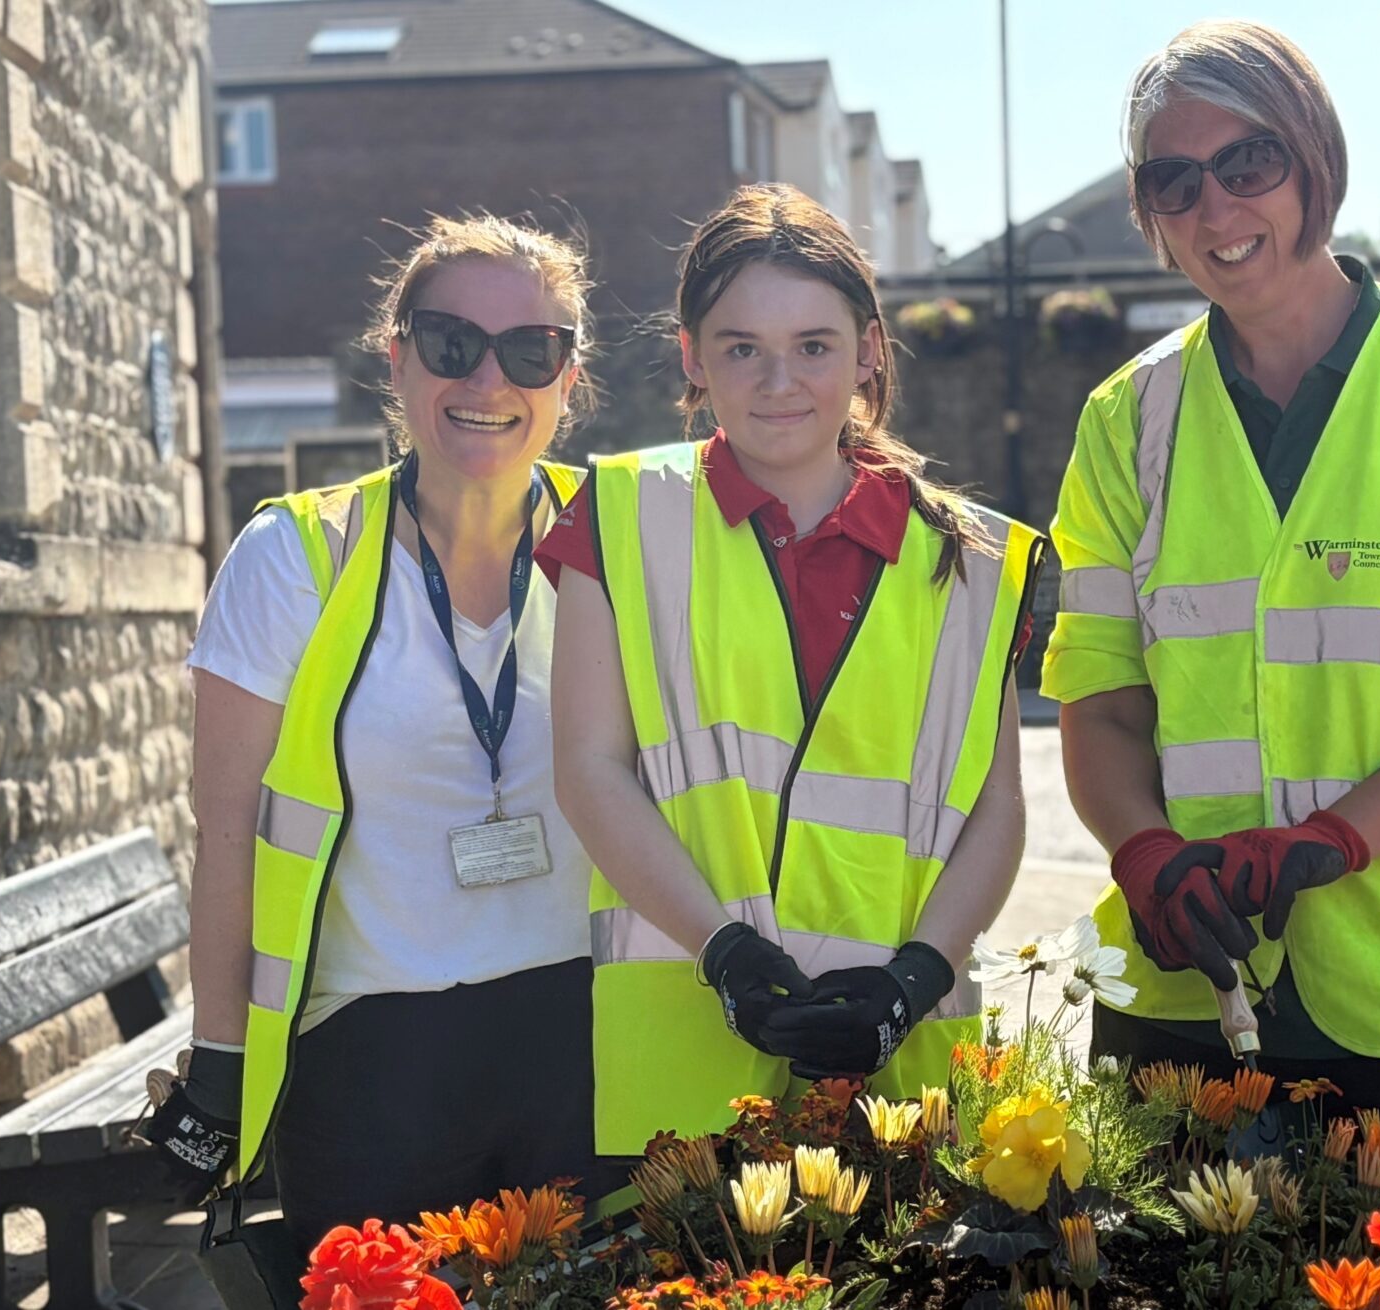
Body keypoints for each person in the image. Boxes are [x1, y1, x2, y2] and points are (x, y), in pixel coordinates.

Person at [1046, 21, 1380, 1170]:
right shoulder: (1123, 418)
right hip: (1179, 979)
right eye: (1174, 180)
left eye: (1249, 163)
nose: (1216, 208)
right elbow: (1097, 697)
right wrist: (1144, 853)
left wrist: (1331, 841)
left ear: (1314, 161)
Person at [545, 184, 1045, 1156]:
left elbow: (999, 807)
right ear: (692, 355)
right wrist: (723, 953)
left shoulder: (974, 558)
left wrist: (913, 980)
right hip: (680, 1054)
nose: (780, 380)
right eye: (742, 347)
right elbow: (588, 770)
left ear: (867, 351)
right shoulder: (614, 516)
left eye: (813, 345)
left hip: (903, 1060)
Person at [144, 214, 599, 1253]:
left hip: (582, 1040)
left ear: (567, 380)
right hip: (373, 1056)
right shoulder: (293, 555)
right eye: (451, 344)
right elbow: (226, 831)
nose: (488, 380)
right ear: (396, 358)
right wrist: (219, 1058)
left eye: (530, 350)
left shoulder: (617, 537)